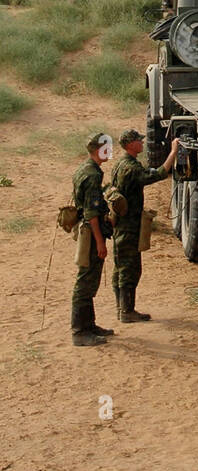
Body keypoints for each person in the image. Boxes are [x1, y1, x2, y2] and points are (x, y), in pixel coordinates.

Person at [111, 129, 178, 321]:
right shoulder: (131, 168)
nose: (142, 143)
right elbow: (158, 174)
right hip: (129, 225)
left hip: (121, 224)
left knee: (120, 267)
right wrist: (172, 153)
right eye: (139, 141)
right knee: (129, 269)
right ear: (130, 144)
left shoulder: (120, 164)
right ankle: (126, 311)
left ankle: (121, 309)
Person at [71, 133, 115, 347]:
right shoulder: (92, 175)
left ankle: (89, 326)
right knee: (85, 281)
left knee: (88, 280)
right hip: (91, 232)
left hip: (87, 229)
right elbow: (91, 213)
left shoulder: (86, 169)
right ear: (98, 149)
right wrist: (100, 243)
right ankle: (80, 331)